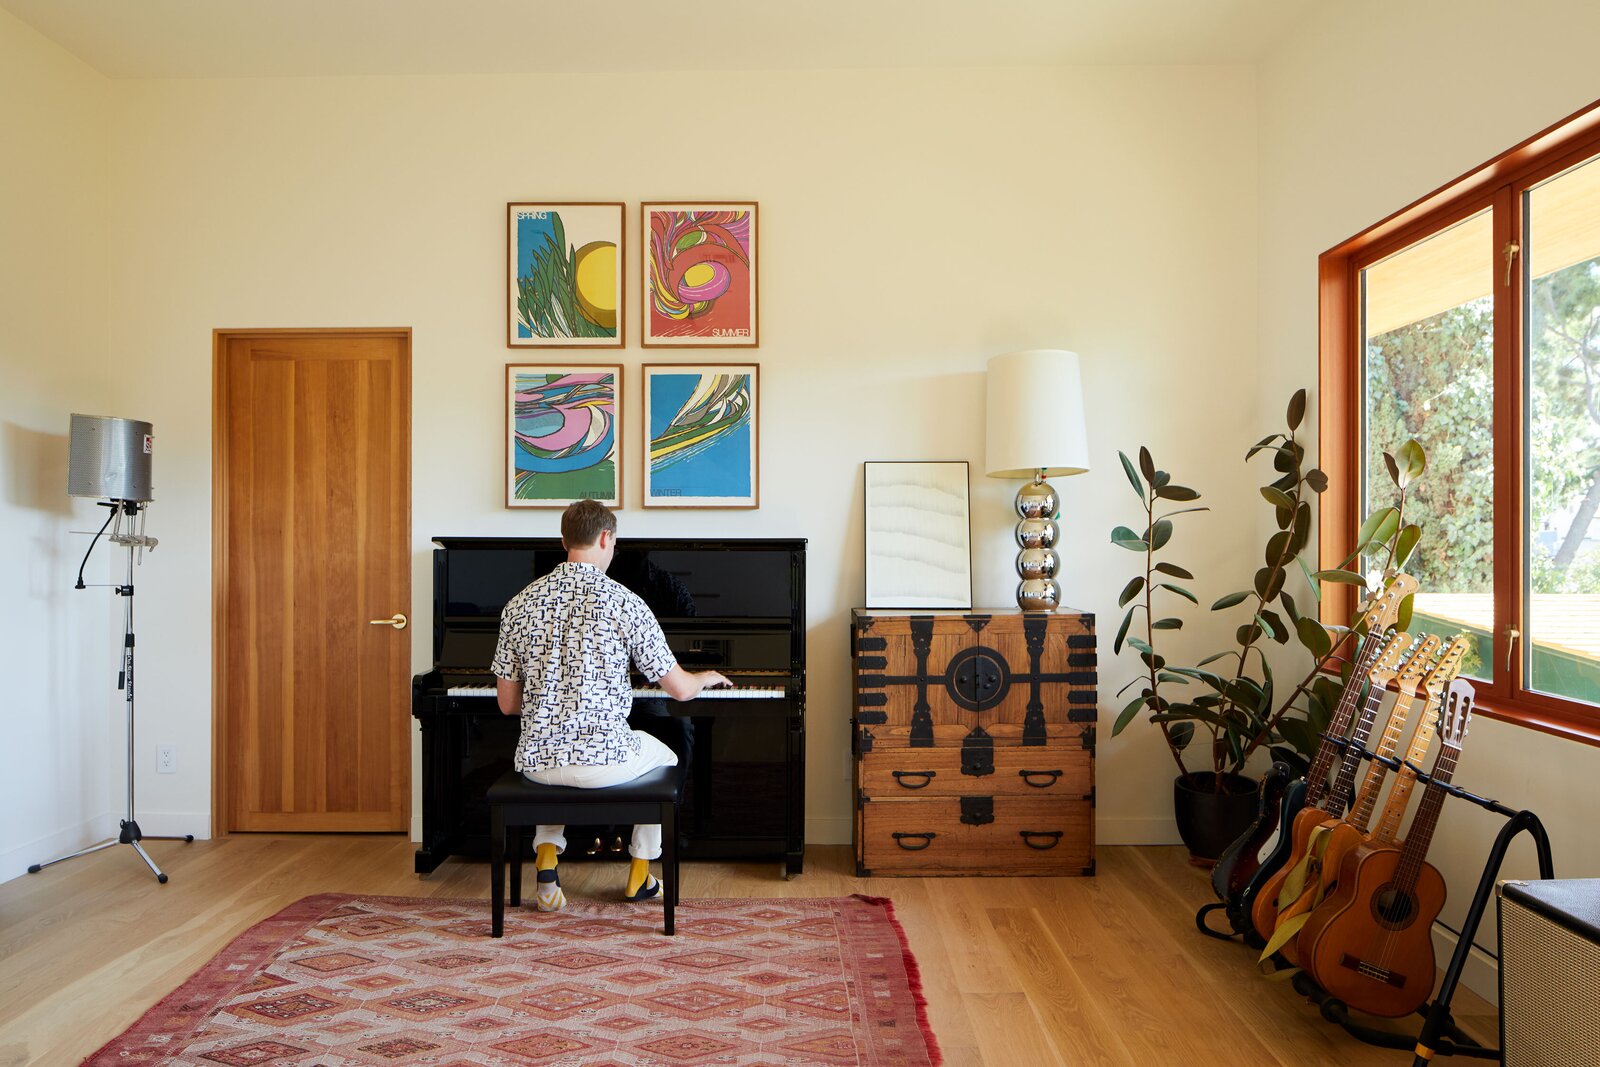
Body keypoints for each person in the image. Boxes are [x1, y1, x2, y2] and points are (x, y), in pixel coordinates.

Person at [491, 499, 729, 911]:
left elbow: (508, 705)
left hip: (536, 763)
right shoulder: (627, 602)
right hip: (603, 760)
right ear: (607, 538)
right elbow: (680, 691)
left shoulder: (519, 604)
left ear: (564, 540)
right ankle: (639, 872)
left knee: (558, 770)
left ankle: (547, 857)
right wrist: (705, 676)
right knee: (668, 757)